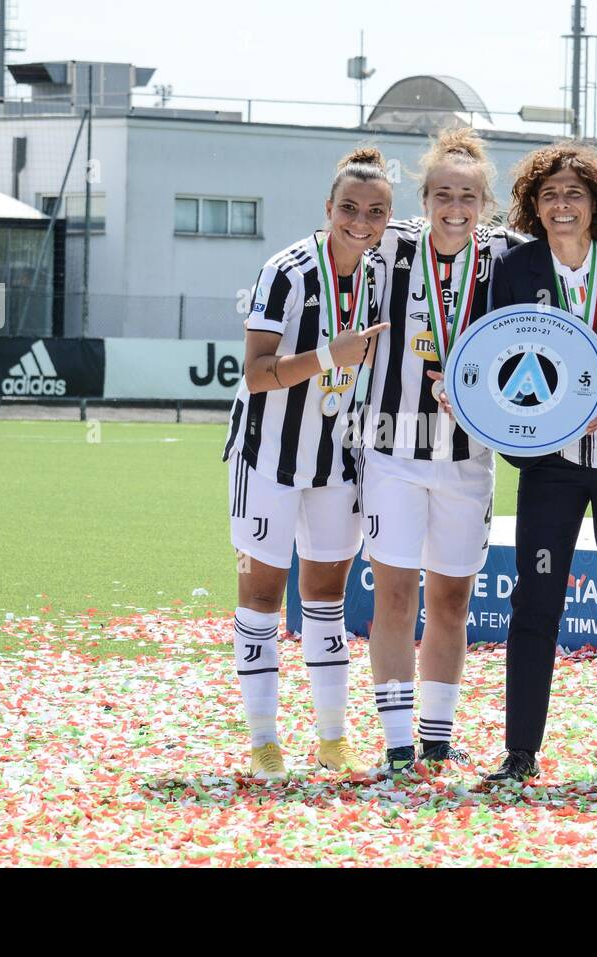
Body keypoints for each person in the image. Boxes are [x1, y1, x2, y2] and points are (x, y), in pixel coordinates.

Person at [479, 143, 597, 785]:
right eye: (550, 194)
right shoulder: (513, 267)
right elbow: (499, 356)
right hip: (549, 463)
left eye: (574, 194)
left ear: (596, 204)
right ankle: (520, 754)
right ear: (534, 205)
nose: (562, 204)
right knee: (535, 606)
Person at [222, 147, 393, 780]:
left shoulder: (381, 275)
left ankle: (332, 738)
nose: (360, 221)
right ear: (328, 210)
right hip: (267, 456)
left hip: (337, 461)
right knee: (262, 593)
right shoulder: (287, 271)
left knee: (325, 595)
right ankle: (264, 738)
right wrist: (329, 355)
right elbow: (258, 374)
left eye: (375, 212)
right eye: (348, 208)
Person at [359, 127, 523, 776]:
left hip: (467, 459)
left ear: (485, 205)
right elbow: (335, 244)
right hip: (391, 453)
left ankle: (437, 738)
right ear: (424, 198)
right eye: (443, 194)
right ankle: (398, 744)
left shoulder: (508, 256)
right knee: (395, 598)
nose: (455, 207)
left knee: (452, 601)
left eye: (469, 196)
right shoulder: (392, 244)